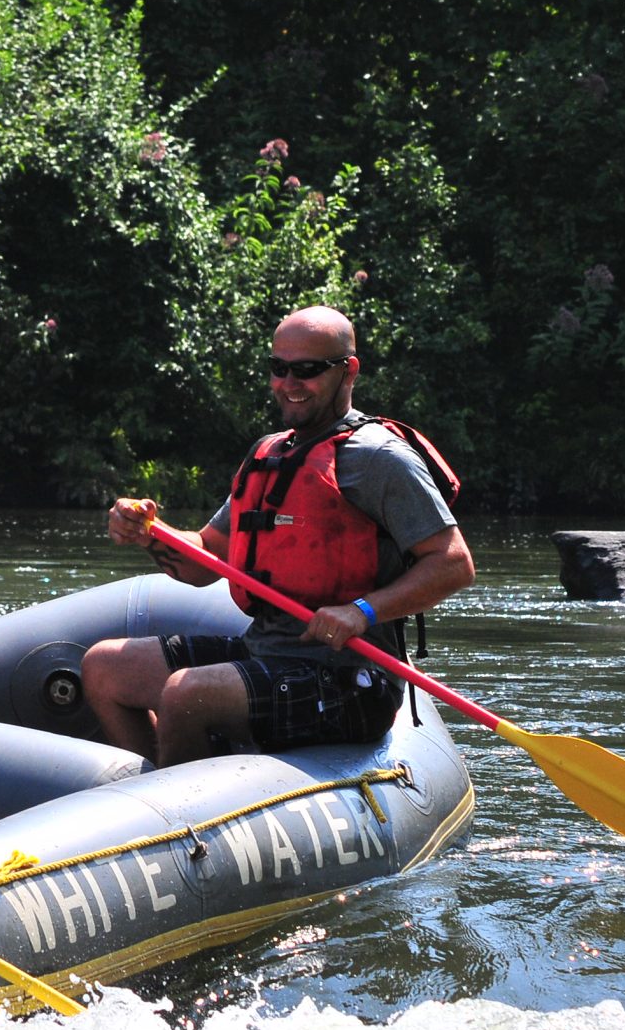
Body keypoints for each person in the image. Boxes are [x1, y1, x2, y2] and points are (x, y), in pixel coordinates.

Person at [83, 305, 474, 765]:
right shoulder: (269, 454)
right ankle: (155, 796)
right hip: (265, 649)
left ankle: (183, 819)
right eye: (279, 368)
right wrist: (151, 534)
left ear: (348, 371)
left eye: (307, 370)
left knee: (186, 693)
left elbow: (453, 563)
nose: (289, 383)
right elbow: (207, 558)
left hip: (349, 675)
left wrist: (362, 611)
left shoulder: (380, 458)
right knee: (105, 668)